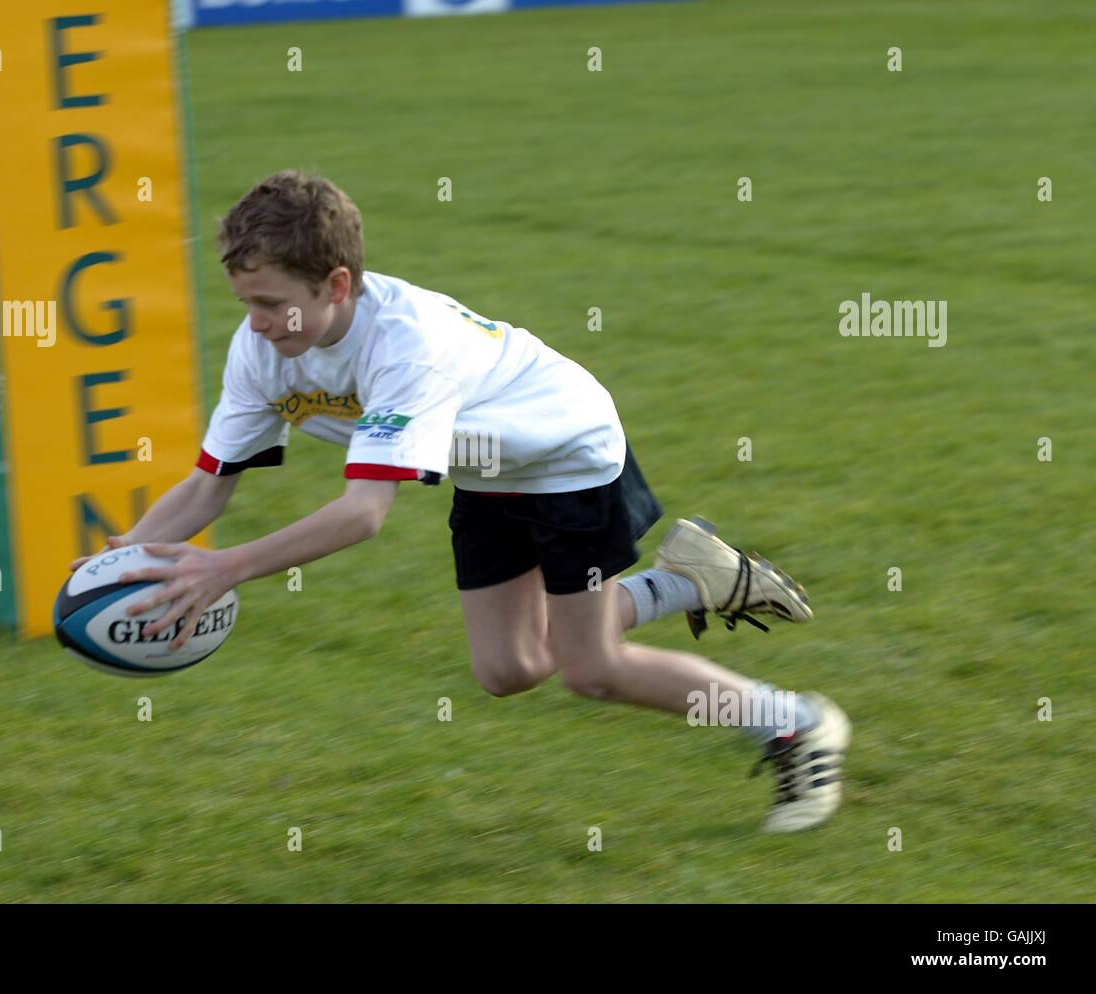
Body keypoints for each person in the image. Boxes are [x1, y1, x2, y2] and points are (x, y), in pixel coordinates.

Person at [68, 170, 849, 833]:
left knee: (590, 670)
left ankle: (796, 723)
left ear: (336, 285)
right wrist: (123, 558)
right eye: (246, 303)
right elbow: (210, 483)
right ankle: (683, 581)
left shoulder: (407, 344)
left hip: (566, 454)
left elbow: (362, 514)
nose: (259, 323)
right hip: (486, 470)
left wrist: (226, 569)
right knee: (508, 670)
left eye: (273, 303)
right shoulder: (263, 349)